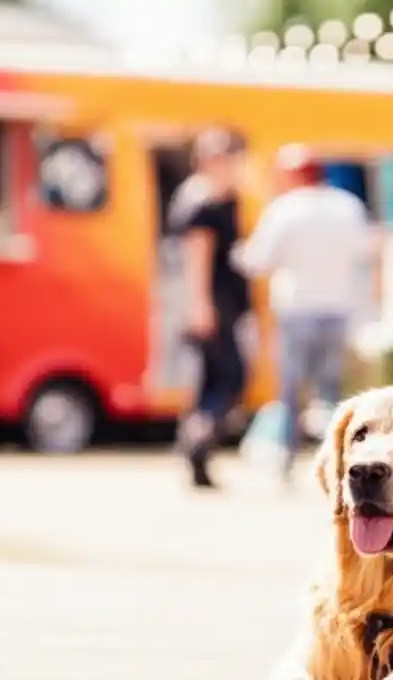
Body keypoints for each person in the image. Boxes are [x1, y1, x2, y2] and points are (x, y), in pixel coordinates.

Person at [232, 144, 377, 480]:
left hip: (296, 310)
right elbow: (365, 251)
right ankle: (336, 460)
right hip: (338, 308)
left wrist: (236, 255)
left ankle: (287, 460)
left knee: (292, 390)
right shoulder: (347, 207)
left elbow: (259, 260)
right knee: (332, 392)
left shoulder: (285, 209)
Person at [170, 129, 251, 489]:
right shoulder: (202, 203)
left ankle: (197, 451)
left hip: (223, 300)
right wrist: (199, 305)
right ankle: (197, 440)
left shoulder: (224, 198)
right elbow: (196, 257)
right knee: (231, 377)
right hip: (213, 302)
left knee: (210, 382)